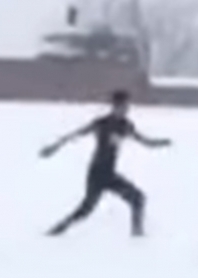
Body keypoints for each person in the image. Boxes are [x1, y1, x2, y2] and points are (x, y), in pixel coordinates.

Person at [41, 90, 171, 237]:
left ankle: (137, 235)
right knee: (85, 210)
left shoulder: (126, 126)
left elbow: (144, 141)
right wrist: (54, 147)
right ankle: (55, 232)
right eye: (123, 106)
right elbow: (76, 134)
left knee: (138, 199)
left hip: (110, 174)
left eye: (127, 107)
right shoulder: (101, 123)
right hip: (96, 174)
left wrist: (160, 143)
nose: (126, 110)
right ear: (115, 106)